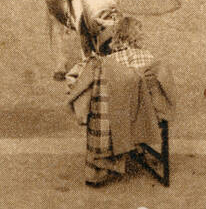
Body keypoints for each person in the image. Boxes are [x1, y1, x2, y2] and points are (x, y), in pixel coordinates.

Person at [64, 16, 174, 187]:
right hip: (147, 115)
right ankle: (139, 145)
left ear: (116, 38)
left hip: (117, 115)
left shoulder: (110, 62)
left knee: (97, 91)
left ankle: (103, 161)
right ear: (138, 37)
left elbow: (76, 80)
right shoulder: (149, 58)